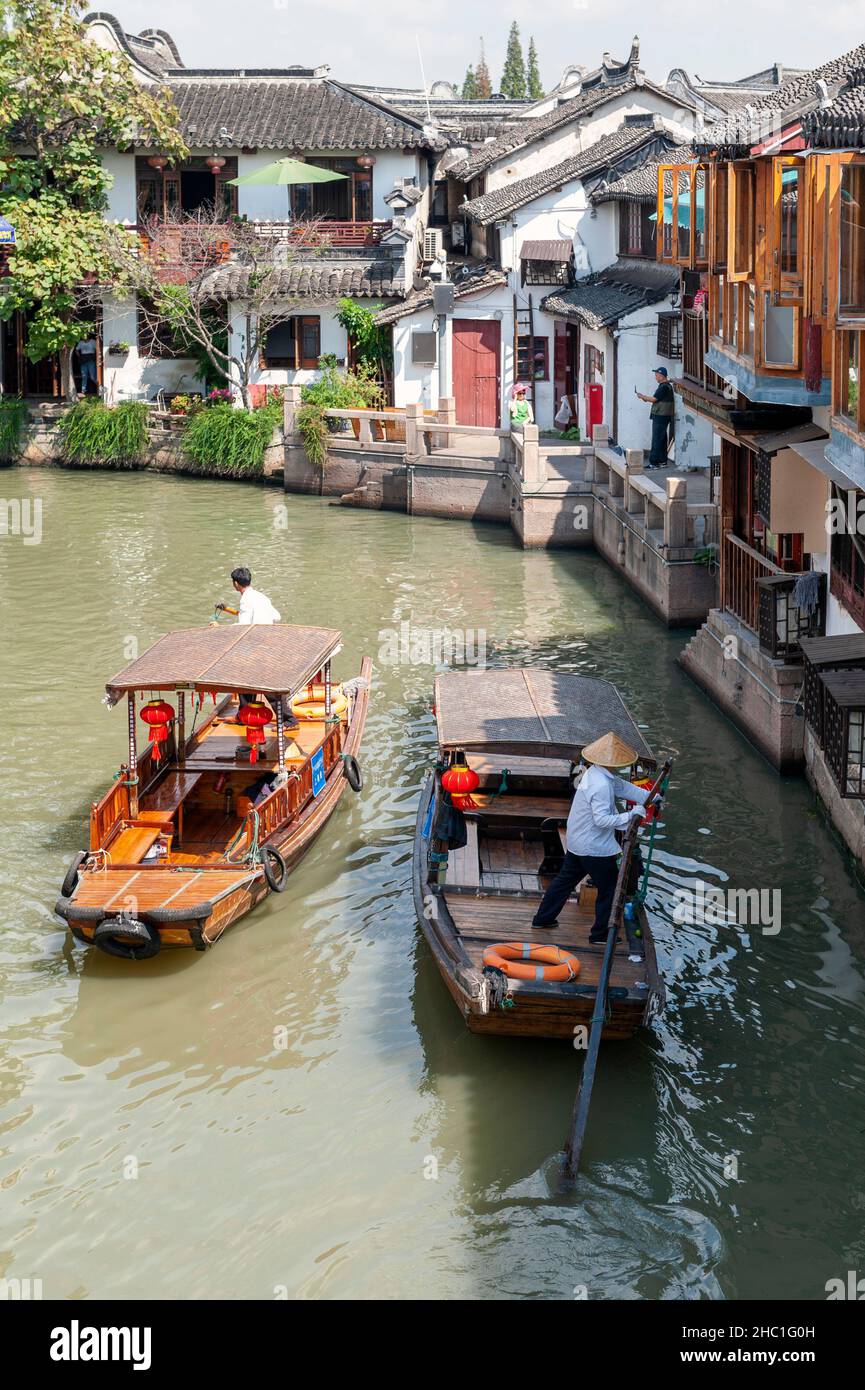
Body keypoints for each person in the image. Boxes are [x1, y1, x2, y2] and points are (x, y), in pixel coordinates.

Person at [531, 732, 655, 942]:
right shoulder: (600, 785)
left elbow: (622, 787)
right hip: (593, 846)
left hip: (578, 840)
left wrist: (650, 796)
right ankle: (600, 933)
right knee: (609, 888)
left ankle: (543, 918)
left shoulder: (595, 773)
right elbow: (602, 820)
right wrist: (631, 814)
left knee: (564, 881)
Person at [636, 367, 675, 468]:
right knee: (662, 438)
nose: (655, 377)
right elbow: (657, 400)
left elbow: (654, 399)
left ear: (662, 376)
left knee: (657, 439)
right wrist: (645, 399)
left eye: (657, 375)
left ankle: (654, 463)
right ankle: (662, 461)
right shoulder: (668, 386)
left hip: (660, 415)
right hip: (665, 415)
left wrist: (642, 397)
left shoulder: (663, 387)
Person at [214, 567, 281, 625]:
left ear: (236, 583)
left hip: (256, 636)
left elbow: (243, 626)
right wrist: (227, 609)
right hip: (267, 633)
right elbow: (277, 617)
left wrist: (219, 628)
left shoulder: (245, 600)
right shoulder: (262, 596)